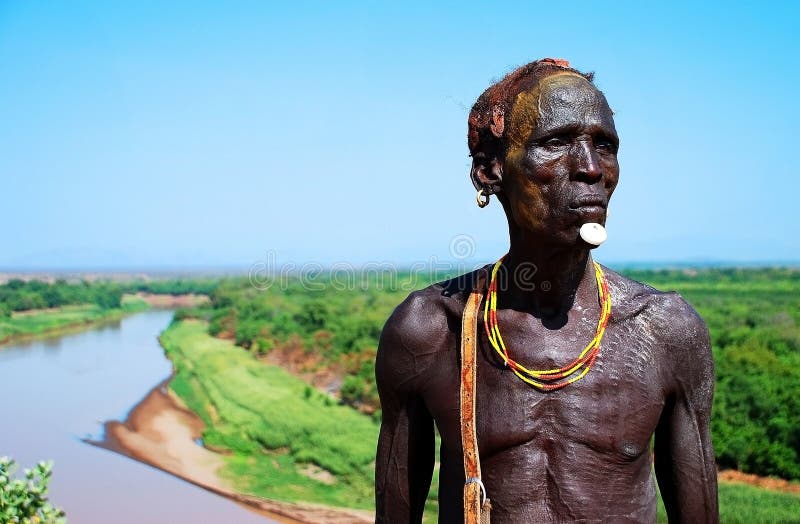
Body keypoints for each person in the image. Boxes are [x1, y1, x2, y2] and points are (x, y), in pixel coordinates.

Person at [374, 58, 718, 523]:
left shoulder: (666, 331)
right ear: (489, 171)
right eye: (555, 142)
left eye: (605, 145)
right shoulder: (430, 331)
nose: (591, 168)